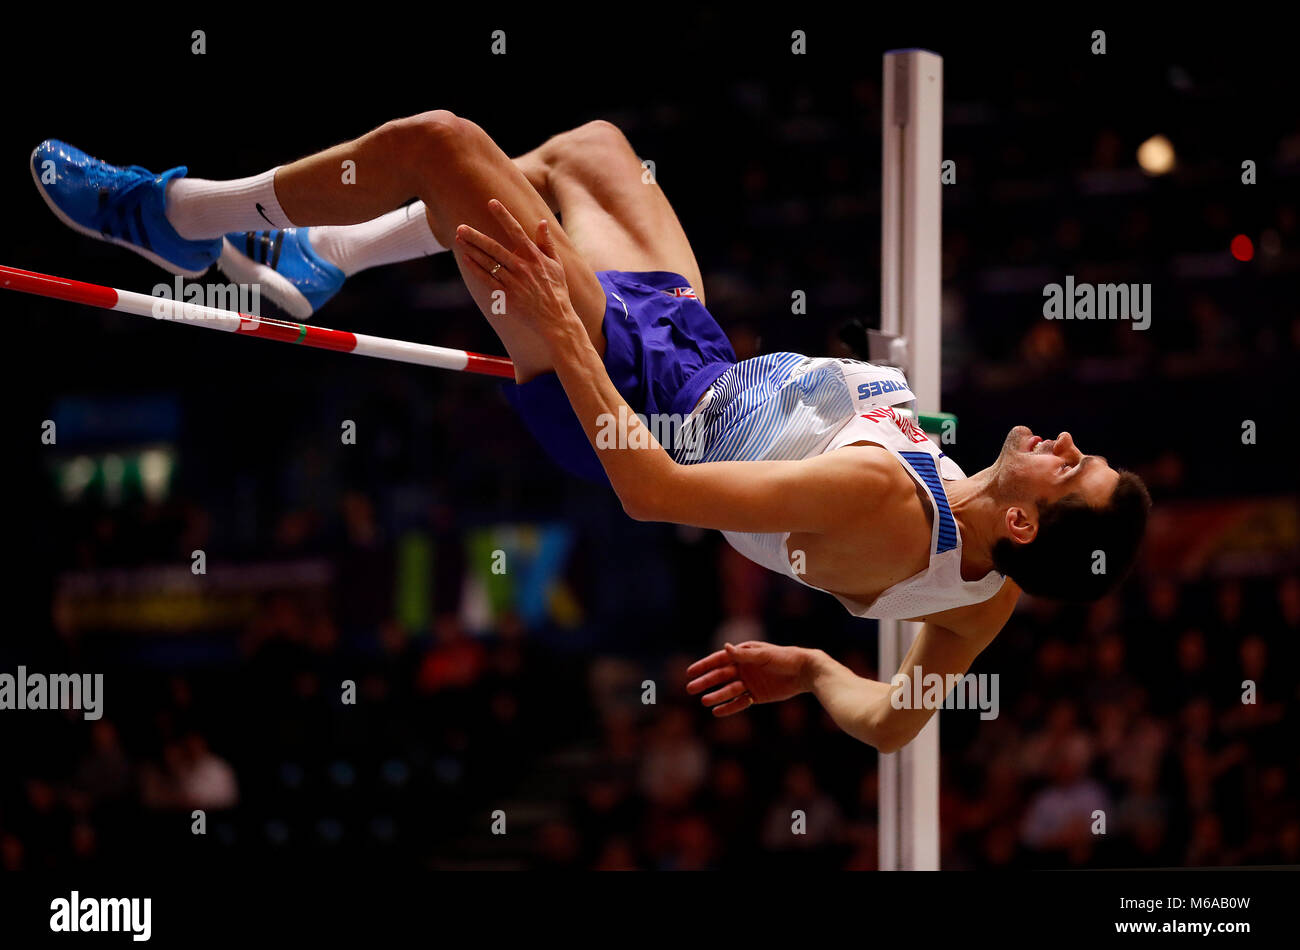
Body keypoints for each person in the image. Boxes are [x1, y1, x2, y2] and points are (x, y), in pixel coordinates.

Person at [30, 113, 1150, 752]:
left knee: (445, 146)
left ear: (1019, 516)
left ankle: (176, 217)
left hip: (628, 392)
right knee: (591, 149)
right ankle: (332, 259)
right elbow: (896, 725)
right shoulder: (989, 591)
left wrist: (566, 334)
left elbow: (654, 491)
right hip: (694, 351)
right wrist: (814, 667)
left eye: (1069, 465)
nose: (1058, 436)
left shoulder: (887, 509)